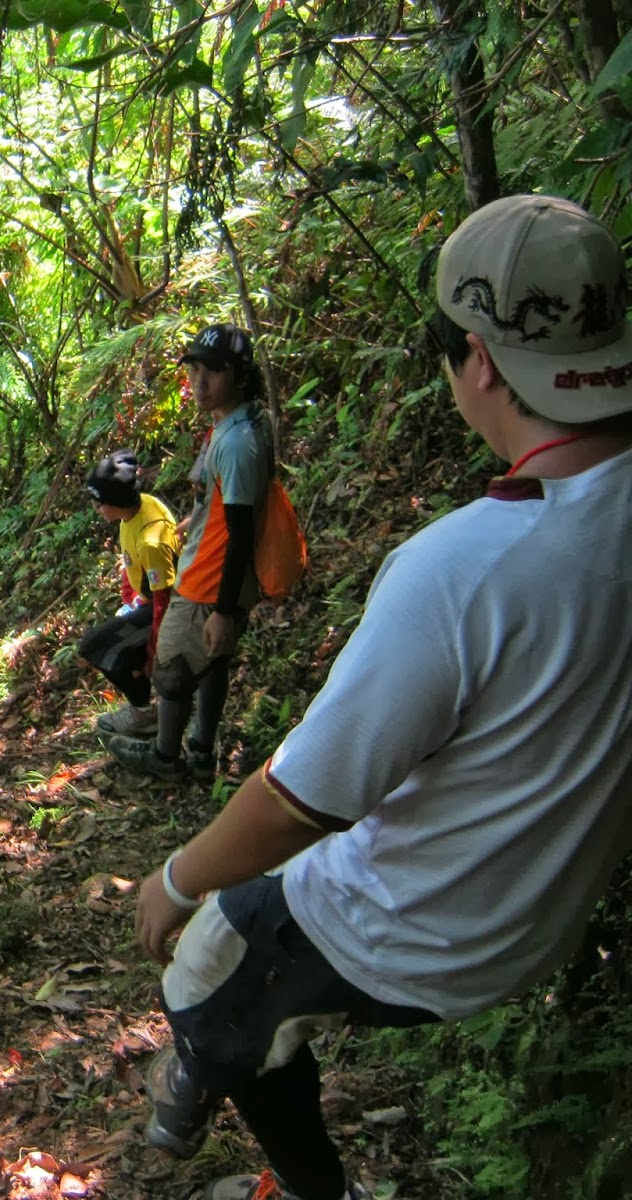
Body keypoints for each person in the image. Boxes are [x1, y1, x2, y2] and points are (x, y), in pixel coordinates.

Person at [129, 194, 632, 1200]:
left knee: (206, 963)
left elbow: (299, 801)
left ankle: (308, 1173)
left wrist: (174, 881)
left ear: (480, 360)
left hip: (438, 929)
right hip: (549, 906)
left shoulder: (469, 566)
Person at [107, 323, 271, 782]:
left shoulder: (237, 442)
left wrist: (220, 608)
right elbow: (225, 509)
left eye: (213, 373)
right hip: (220, 570)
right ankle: (200, 750)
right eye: (195, 370)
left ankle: (165, 758)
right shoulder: (242, 421)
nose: (200, 382)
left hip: (210, 578)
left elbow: (238, 531)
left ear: (239, 376)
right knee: (214, 661)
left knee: (173, 668)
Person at [78, 450, 179, 738]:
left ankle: (143, 713)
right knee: (105, 643)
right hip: (145, 601)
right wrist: (128, 602)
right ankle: (143, 703)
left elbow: (164, 599)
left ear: (115, 502)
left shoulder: (151, 538)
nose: (97, 509)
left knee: (96, 646)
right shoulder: (133, 513)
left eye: (99, 504)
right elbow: (129, 564)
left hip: (168, 609)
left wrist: (153, 651)